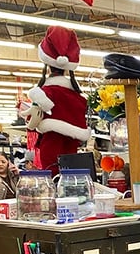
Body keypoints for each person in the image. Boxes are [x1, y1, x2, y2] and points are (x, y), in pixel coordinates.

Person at [23, 26, 91, 175]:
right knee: (71, 180)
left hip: (50, 146)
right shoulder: (78, 97)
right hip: (72, 150)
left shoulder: (45, 93)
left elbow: (31, 125)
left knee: (52, 180)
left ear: (47, 66)